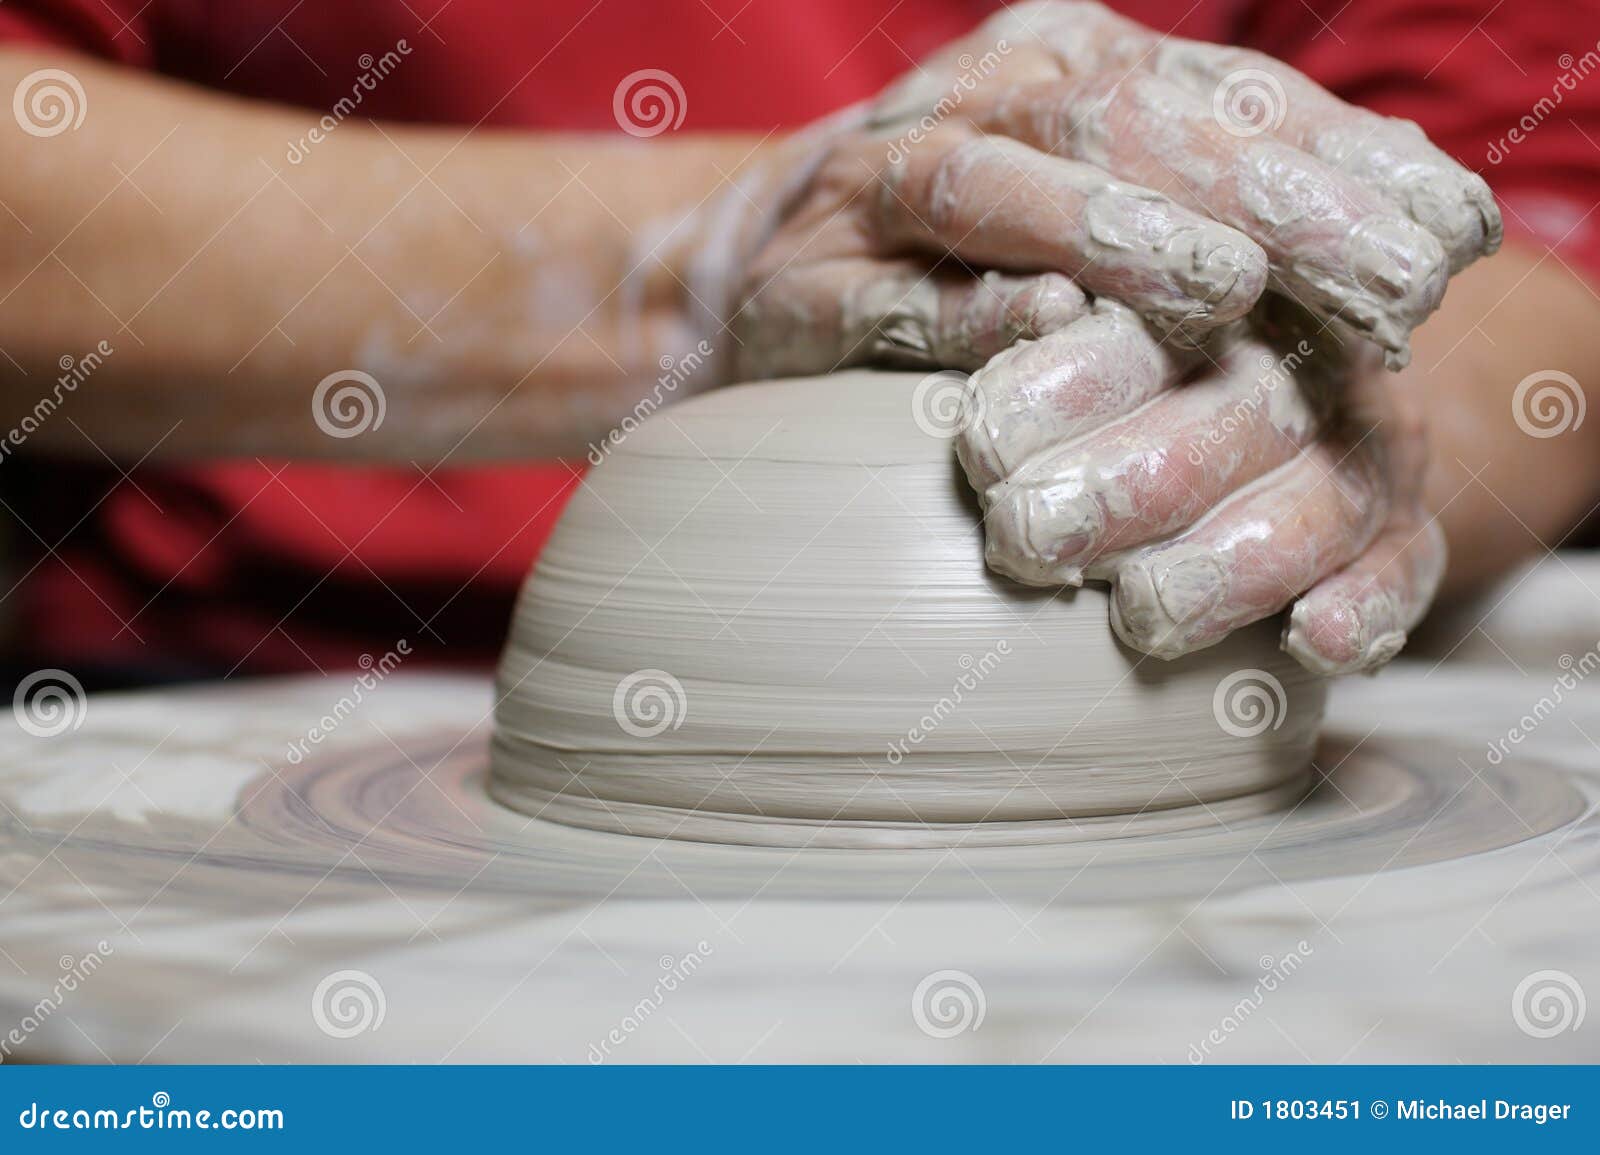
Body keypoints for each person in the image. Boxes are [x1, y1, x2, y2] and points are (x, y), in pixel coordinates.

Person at [0, 0, 1596, 687]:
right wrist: (693, 270)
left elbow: (1527, 235)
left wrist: (1333, 430)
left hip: (1131, 705)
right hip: (274, 685)